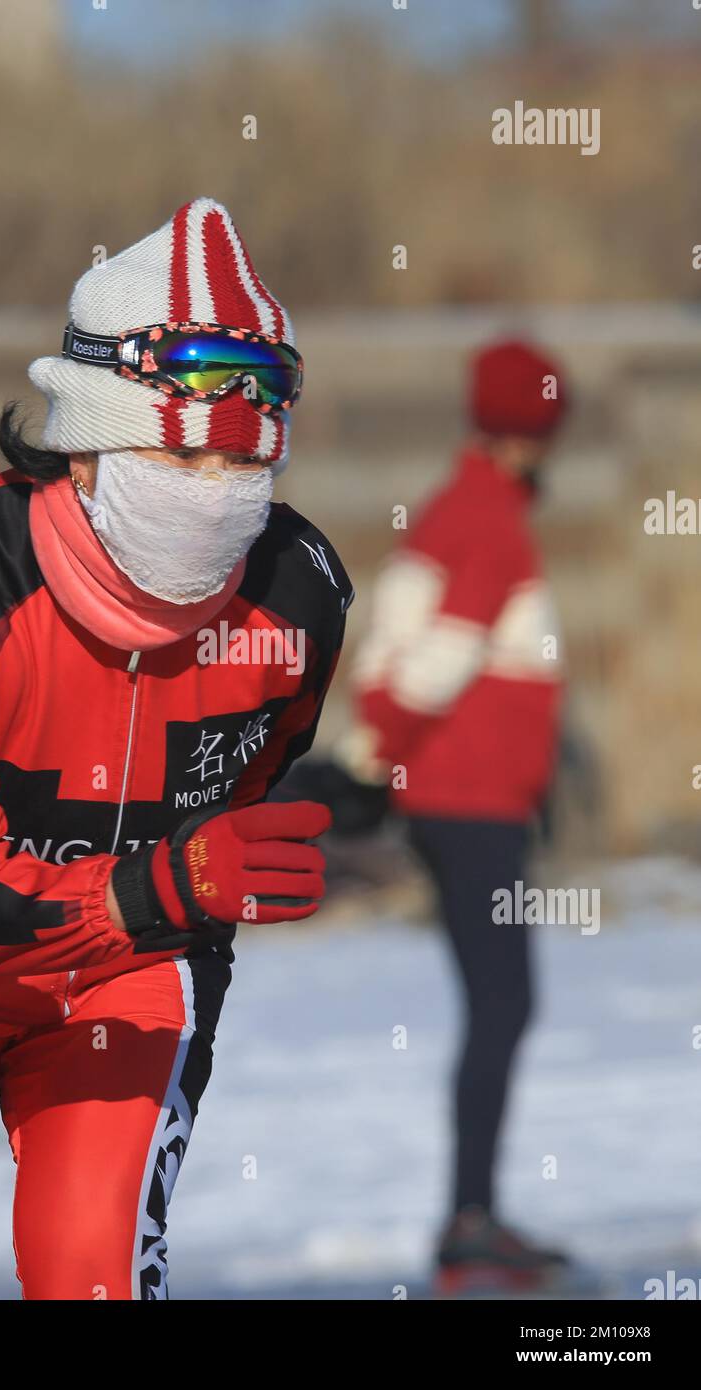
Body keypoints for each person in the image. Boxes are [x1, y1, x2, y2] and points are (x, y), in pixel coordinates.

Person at [0, 198, 352, 1300]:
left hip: (125, 971)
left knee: (90, 1277)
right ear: (88, 451)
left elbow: (230, 819)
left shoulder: (301, 596)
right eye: (178, 463)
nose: (217, 500)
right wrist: (164, 884)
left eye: (244, 478)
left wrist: (176, 897)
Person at [338, 340, 570, 1293]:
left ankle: (473, 1214)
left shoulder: (454, 507)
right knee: (505, 1001)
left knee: (498, 1002)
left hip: (463, 798)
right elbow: (441, 656)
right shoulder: (490, 521)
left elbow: (395, 635)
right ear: (537, 428)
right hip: (467, 801)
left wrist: (375, 745)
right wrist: (377, 747)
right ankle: (468, 1220)